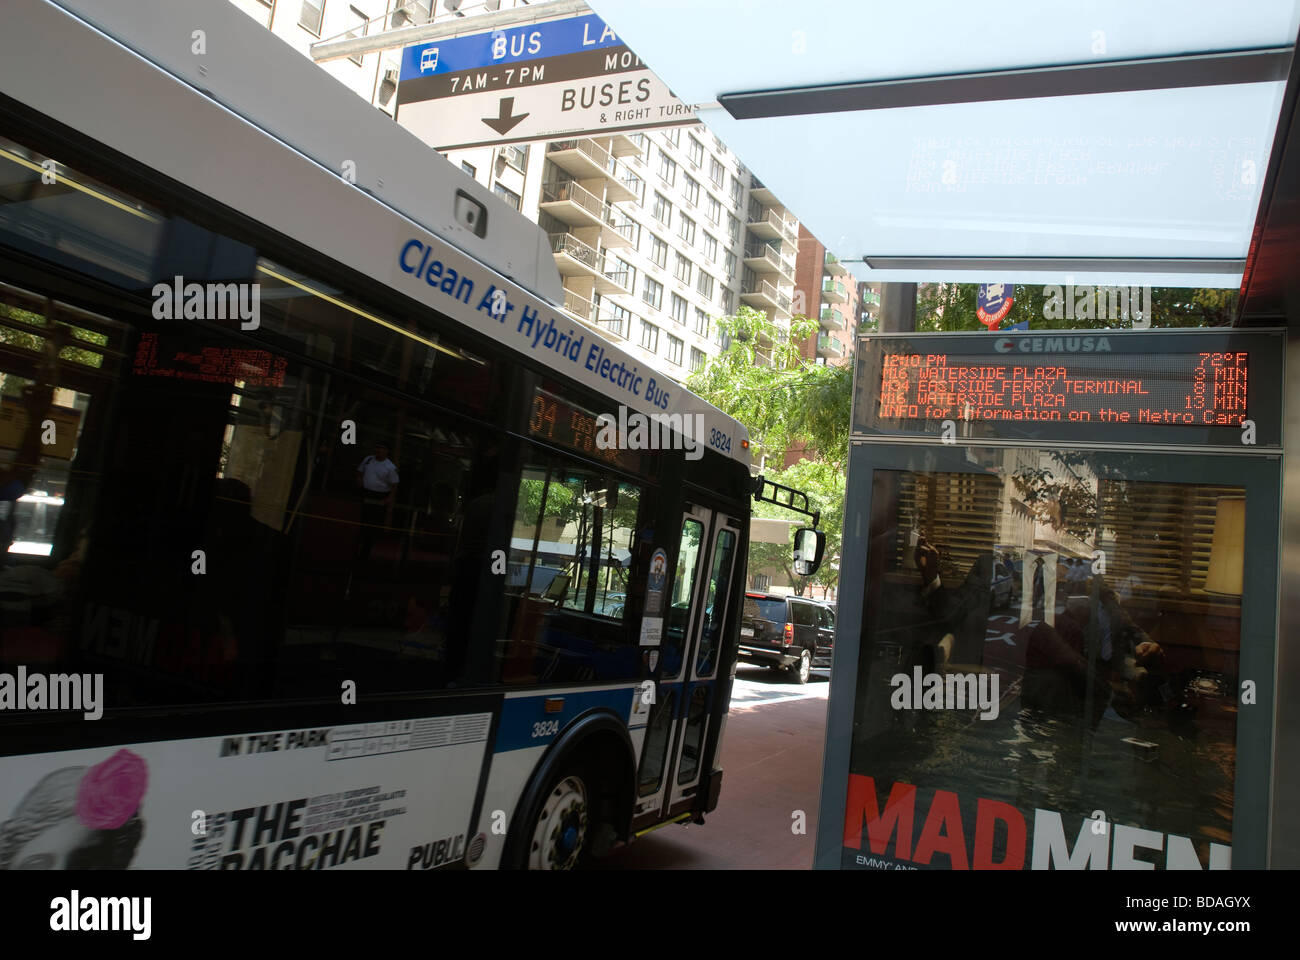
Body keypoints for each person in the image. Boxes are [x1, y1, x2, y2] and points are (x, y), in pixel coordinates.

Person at [356, 441, 399, 563]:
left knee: (372, 526)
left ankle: (365, 553)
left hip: (379, 497)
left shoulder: (390, 467)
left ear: (387, 451)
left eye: (382, 448)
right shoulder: (368, 460)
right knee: (361, 521)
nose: (379, 450)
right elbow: (359, 472)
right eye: (377, 447)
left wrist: (389, 499)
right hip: (365, 493)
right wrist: (359, 479)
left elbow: (395, 485)